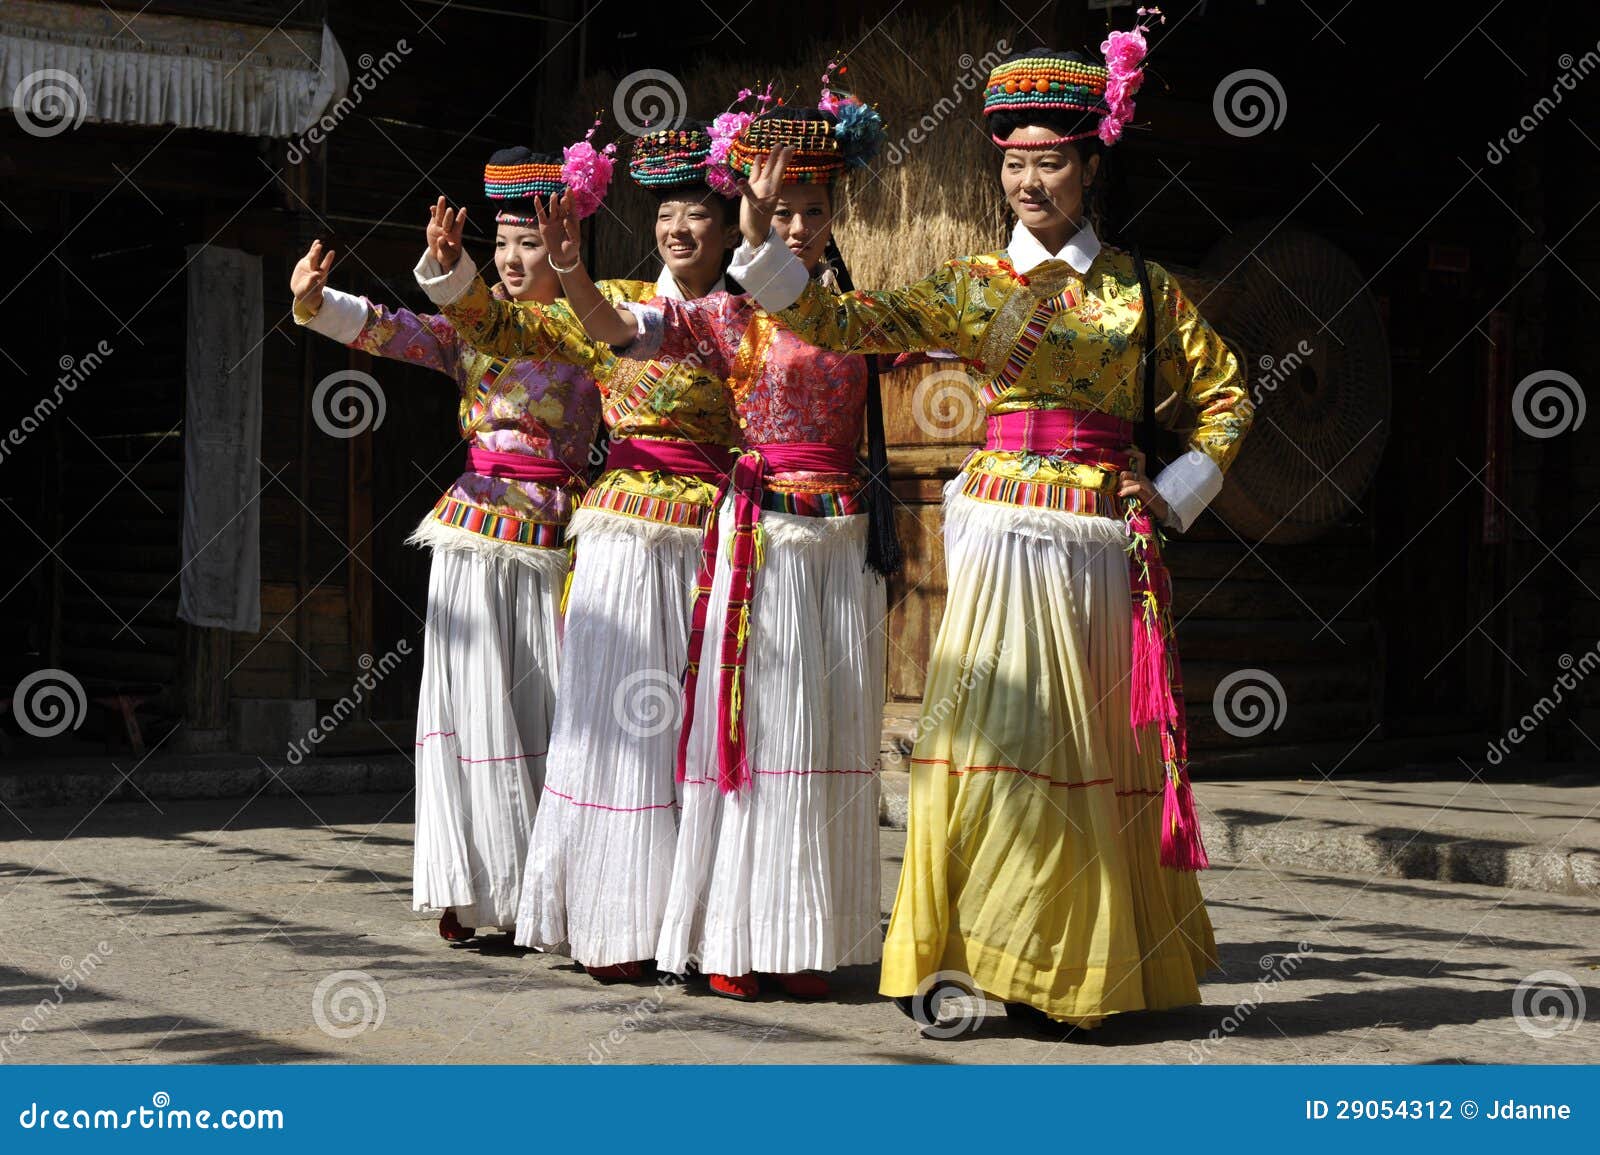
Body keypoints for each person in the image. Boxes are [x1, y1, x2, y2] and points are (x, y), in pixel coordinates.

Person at [728, 27, 1254, 1027]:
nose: (1027, 179)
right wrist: (757, 246)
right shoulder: (972, 284)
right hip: (1003, 540)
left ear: (1089, 167)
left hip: (1098, 544)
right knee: (995, 743)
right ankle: (986, 961)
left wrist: (1175, 484)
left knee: (1085, 753)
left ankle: (1081, 975)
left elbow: (1227, 397)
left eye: (1049, 159)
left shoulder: (1144, 293)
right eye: (1012, 161)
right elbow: (845, 325)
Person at [535, 87, 896, 1000]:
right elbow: (623, 330)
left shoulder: (864, 317)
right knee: (761, 732)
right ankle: (736, 935)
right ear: (755, 214)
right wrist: (575, 275)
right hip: (762, 541)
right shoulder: (728, 319)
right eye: (783, 212)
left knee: (830, 732)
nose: (803, 227)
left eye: (816, 212)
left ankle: (803, 939)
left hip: (843, 540)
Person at [417, 120, 744, 981]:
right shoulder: (614, 298)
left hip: (714, 533)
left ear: (731, 221)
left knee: (692, 728)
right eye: (665, 211)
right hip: (615, 535)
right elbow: (530, 328)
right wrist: (465, 276)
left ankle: (696, 919)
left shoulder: (755, 318)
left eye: (696, 213)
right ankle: (610, 915)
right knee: (605, 729)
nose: (678, 227)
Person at [287, 143, 608, 943]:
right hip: (469, 535)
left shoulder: (598, 332)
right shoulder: (471, 331)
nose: (508, 260)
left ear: (569, 244)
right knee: (469, 714)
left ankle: (546, 892)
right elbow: (400, 330)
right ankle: (472, 887)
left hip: (553, 540)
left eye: (526, 244)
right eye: (498, 246)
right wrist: (320, 304)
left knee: (545, 712)